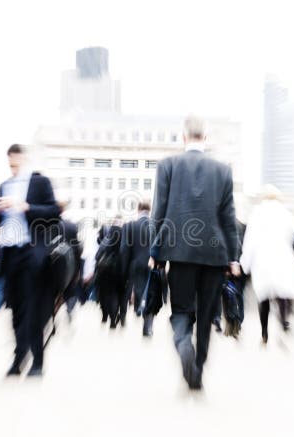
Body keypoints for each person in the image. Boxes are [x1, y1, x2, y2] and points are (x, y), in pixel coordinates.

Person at [150, 115, 240, 391]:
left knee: (180, 311)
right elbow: (229, 217)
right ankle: (197, 370)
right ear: (205, 136)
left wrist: (156, 250)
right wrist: (233, 257)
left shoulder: (168, 166)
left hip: (178, 252)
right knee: (206, 314)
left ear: (183, 136)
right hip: (215, 255)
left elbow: (159, 212)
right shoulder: (223, 171)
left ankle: (184, 349)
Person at [0, 144, 60, 377]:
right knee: (16, 310)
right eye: (10, 165)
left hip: (32, 253)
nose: (14, 169)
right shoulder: (4, 185)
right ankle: (18, 360)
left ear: (25, 160)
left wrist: (25, 206)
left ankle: (37, 362)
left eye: (17, 164)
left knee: (34, 309)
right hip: (9, 254)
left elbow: (53, 212)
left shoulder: (40, 182)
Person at [240, 185, 294, 345]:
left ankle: (264, 334)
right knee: (282, 294)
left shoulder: (256, 214)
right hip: (283, 259)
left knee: (264, 297)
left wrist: (245, 264)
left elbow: (248, 241)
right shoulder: (287, 214)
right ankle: (283, 324)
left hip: (262, 261)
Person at [121, 201, 154, 336]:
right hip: (153, 264)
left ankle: (141, 312)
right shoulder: (156, 225)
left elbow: (124, 249)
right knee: (152, 293)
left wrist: (124, 269)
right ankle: (148, 326)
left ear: (138, 209)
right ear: (149, 209)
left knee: (140, 291)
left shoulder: (130, 226)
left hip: (136, 264)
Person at [95, 217, 126, 328]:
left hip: (106, 270)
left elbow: (98, 255)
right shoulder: (125, 239)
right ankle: (115, 319)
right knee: (117, 294)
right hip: (120, 270)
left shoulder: (108, 238)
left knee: (107, 294)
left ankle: (108, 317)